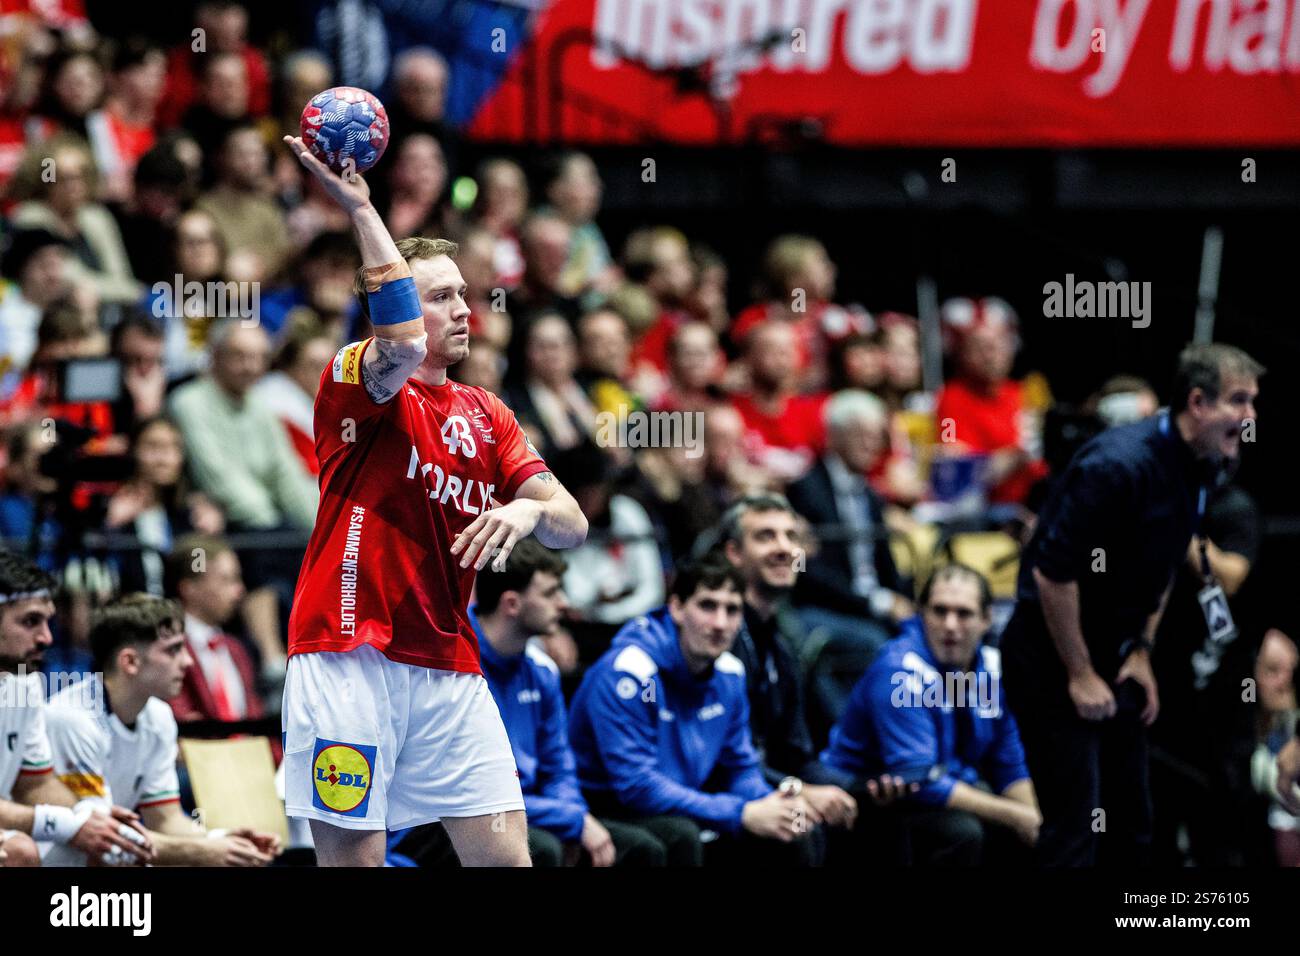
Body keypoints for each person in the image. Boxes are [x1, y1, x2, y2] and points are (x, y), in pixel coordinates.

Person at [279, 133, 588, 867]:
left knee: (509, 861)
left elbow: (573, 525)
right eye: (441, 295)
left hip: (449, 660)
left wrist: (526, 509)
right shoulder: (358, 376)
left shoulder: (489, 413)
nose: (463, 310)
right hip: (346, 652)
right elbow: (404, 344)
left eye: (464, 294)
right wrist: (360, 208)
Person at [1000, 342, 1263, 867]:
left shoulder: (1204, 465)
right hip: (1051, 656)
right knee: (1074, 832)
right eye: (1239, 401)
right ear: (1197, 402)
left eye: (1253, 402)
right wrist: (1078, 672)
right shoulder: (1118, 465)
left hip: (1116, 653)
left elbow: (1164, 560)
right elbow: (1053, 574)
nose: (1250, 417)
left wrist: (1141, 649)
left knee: (1132, 828)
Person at [567, 555, 820, 866]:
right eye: (707, 606)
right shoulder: (629, 673)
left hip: (682, 797)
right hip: (611, 806)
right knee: (680, 834)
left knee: (795, 826)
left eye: (732, 610)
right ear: (676, 608)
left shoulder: (730, 672)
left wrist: (770, 803)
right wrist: (741, 813)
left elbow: (740, 767)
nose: (720, 623)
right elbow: (637, 786)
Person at [818, 564, 1039, 866]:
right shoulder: (899, 672)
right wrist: (1016, 816)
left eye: (963, 613)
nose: (950, 625)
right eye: (939, 611)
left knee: (1031, 826)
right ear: (922, 614)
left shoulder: (991, 669)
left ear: (987, 618)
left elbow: (1009, 762)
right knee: (965, 831)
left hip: (945, 781)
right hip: (865, 793)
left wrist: (1035, 820)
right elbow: (923, 780)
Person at [43, 594, 281, 866]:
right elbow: (105, 840)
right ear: (130, 662)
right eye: (173, 650)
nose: (188, 661)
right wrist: (208, 852)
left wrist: (223, 839)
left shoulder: (159, 716)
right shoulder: (73, 720)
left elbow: (165, 819)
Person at [469, 540, 664, 865]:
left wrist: (572, 819)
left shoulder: (541, 669)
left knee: (641, 848)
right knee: (542, 848)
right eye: (550, 593)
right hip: (463, 816)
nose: (563, 603)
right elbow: (476, 789)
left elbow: (559, 767)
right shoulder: (458, 666)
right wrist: (571, 821)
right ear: (512, 604)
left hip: (535, 810)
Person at [0, 550, 154, 867]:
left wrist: (87, 815)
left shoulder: (25, 682)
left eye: (47, 621)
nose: (46, 637)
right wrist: (67, 824)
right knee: (19, 853)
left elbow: (35, 783)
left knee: (106, 846)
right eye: (30, 622)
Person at [787, 390, 913, 740]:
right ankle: (859, 742)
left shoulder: (870, 494)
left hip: (870, 606)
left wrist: (908, 603)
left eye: (877, 435)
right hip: (821, 607)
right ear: (835, 436)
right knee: (876, 644)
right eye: (863, 434)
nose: (873, 444)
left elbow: (887, 565)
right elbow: (807, 576)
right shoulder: (805, 490)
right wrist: (878, 603)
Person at [165, 535, 265, 728]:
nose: (239, 591)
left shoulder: (237, 649)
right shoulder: (167, 648)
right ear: (190, 588)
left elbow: (256, 720)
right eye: (227, 580)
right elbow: (181, 722)